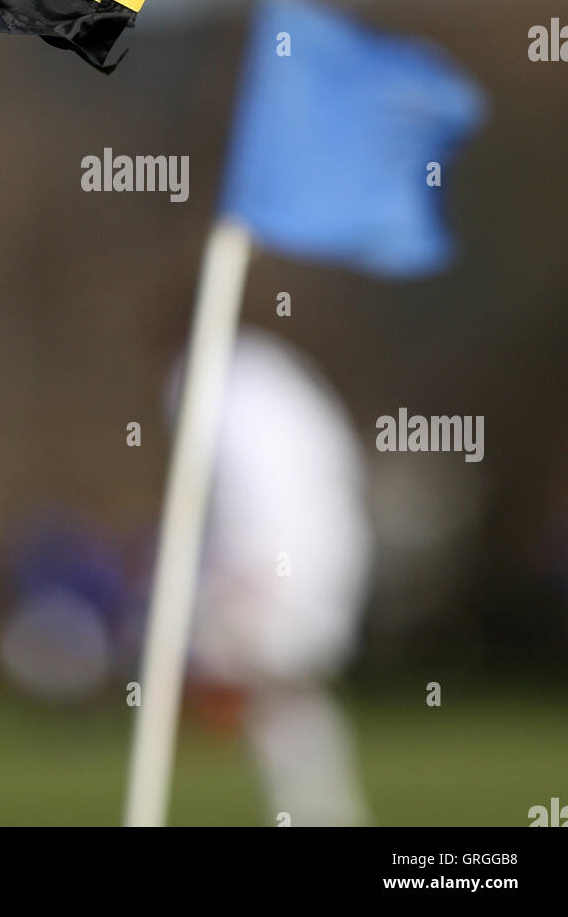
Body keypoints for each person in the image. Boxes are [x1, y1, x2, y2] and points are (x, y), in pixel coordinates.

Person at [183, 326, 373, 826]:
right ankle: (319, 812)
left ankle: (320, 813)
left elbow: (252, 483)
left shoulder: (217, 380)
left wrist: (244, 565)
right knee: (281, 692)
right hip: (322, 544)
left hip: (280, 553)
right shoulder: (268, 373)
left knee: (268, 685)